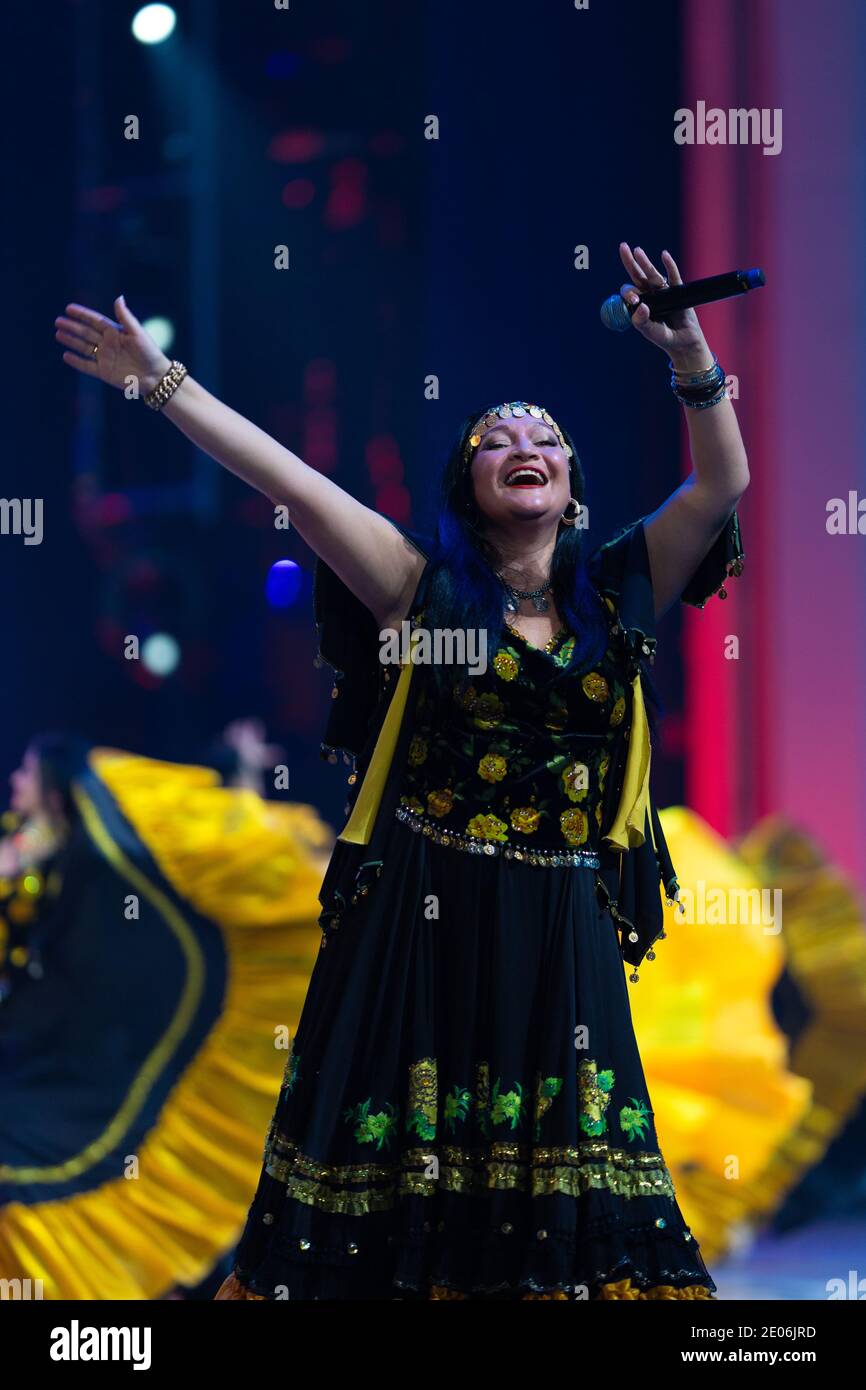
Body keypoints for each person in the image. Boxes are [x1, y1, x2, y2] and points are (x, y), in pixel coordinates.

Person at [55, 242, 749, 1299]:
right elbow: (284, 474)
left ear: (570, 487)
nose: (525, 443)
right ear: (468, 488)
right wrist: (158, 382)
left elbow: (721, 479)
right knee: (400, 1213)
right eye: (495, 439)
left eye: (547, 438)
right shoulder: (416, 590)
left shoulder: (620, 588)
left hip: (560, 936)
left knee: (571, 1211)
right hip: (419, 930)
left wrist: (686, 349)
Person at [0, 730, 331, 1299]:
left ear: (54, 783)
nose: (14, 782)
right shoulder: (26, 849)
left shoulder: (95, 831)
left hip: (90, 1050)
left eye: (26, 771)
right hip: (43, 1048)